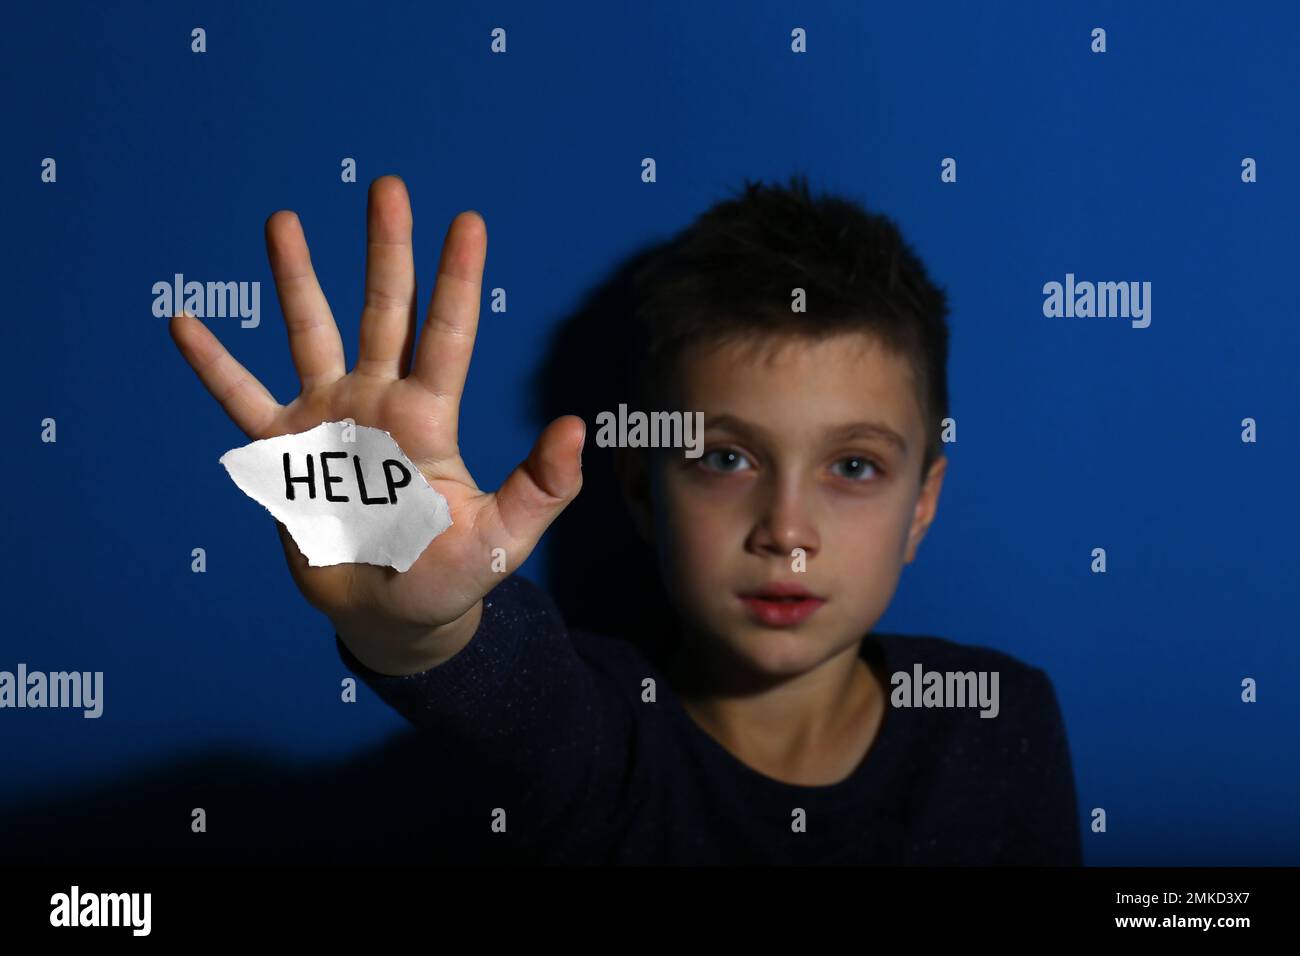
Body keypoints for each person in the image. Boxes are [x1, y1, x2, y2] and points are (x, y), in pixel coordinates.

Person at [169, 173, 1082, 864]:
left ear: (922, 505)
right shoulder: (605, 737)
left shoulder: (997, 724)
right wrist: (398, 562)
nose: (787, 529)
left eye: (854, 466)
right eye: (726, 458)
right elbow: (514, 694)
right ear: (643, 490)